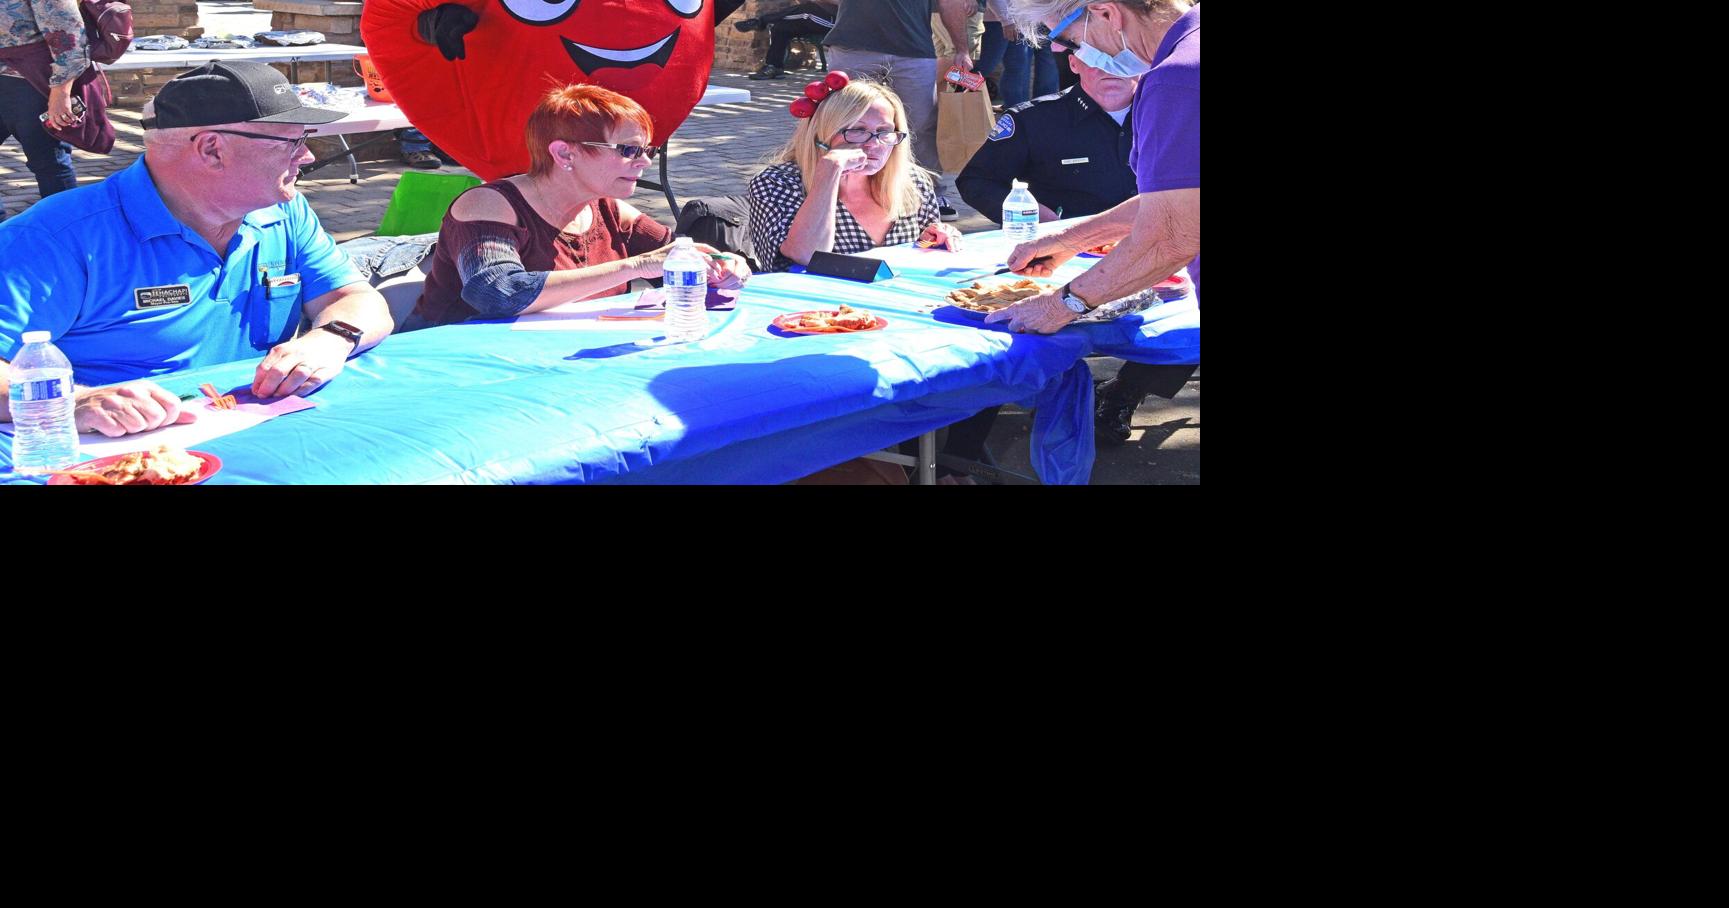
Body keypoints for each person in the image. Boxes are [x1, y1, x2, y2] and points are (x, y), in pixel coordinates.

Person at [0, 61, 393, 438]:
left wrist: (333, 337)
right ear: (211, 149)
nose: (307, 156)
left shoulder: (282, 211)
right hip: (126, 456)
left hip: (263, 432)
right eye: (293, 141)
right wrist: (75, 402)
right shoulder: (56, 237)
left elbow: (355, 298)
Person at [957, 49, 1188, 444]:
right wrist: (1039, 217)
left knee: (1188, 324)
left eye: (1122, 59)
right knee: (1006, 321)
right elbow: (976, 181)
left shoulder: (1173, 116)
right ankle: (967, 440)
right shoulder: (1034, 118)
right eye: (1097, 59)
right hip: (1059, 263)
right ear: (1075, 63)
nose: (1111, 70)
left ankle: (1123, 392)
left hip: (1159, 256)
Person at [405, 84, 750, 330]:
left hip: (552, 366)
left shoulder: (609, 210)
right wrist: (637, 265)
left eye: (648, 150)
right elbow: (499, 294)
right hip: (446, 366)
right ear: (564, 153)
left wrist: (717, 265)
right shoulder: (488, 205)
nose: (644, 162)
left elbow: (671, 260)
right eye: (629, 150)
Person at [988, 2, 1198, 329]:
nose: (1058, 49)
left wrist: (1063, 304)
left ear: (1106, 14)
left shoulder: (1176, 78)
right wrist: (1071, 240)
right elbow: (1180, 202)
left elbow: (1169, 236)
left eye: (1068, 39)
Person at [745, 76, 961, 273]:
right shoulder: (777, 183)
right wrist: (829, 173)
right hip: (814, 307)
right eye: (857, 130)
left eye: (885, 132)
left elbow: (917, 253)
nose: (874, 144)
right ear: (822, 134)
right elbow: (805, 256)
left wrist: (931, 240)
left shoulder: (912, 181)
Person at [822, 0, 977, 222]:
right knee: (845, 122)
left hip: (913, 49)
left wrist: (962, 49)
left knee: (921, 125)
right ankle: (842, 190)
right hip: (854, 45)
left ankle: (928, 193)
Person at [0, 0, 85, 222]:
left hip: (28, 84)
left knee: (49, 164)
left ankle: (67, 235)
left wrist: (61, 92)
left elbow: (68, 33)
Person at [735, 1, 838, 82]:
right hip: (814, 18)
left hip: (833, 21)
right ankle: (774, 67)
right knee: (781, 27)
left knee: (807, 10)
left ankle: (761, 22)